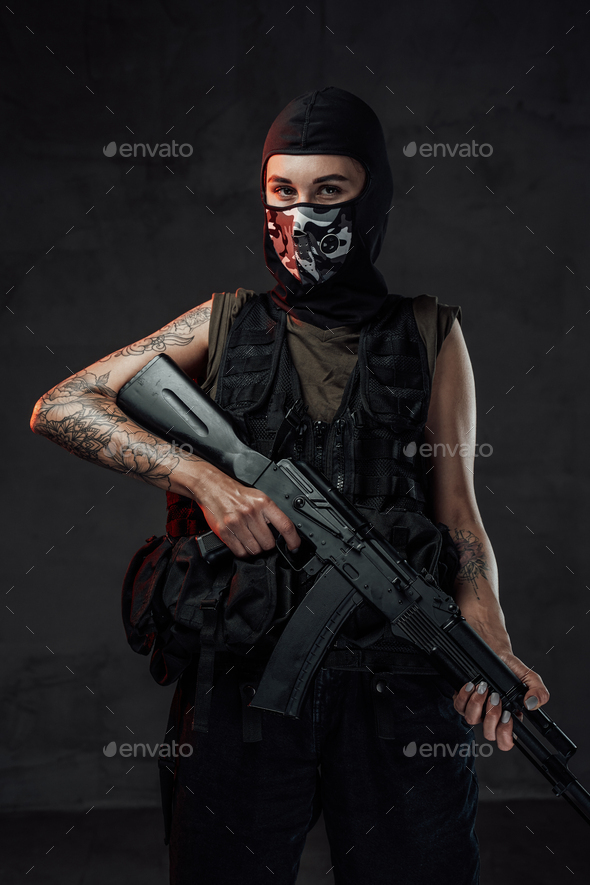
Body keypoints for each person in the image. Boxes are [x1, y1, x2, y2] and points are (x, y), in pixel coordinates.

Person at [30, 86, 549, 885]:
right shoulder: (223, 323)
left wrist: (490, 645)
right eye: (283, 192)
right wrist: (202, 476)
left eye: (330, 191)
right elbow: (62, 404)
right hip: (242, 691)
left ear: (372, 195)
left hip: (395, 686)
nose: (303, 215)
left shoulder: (431, 333)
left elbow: (459, 516)